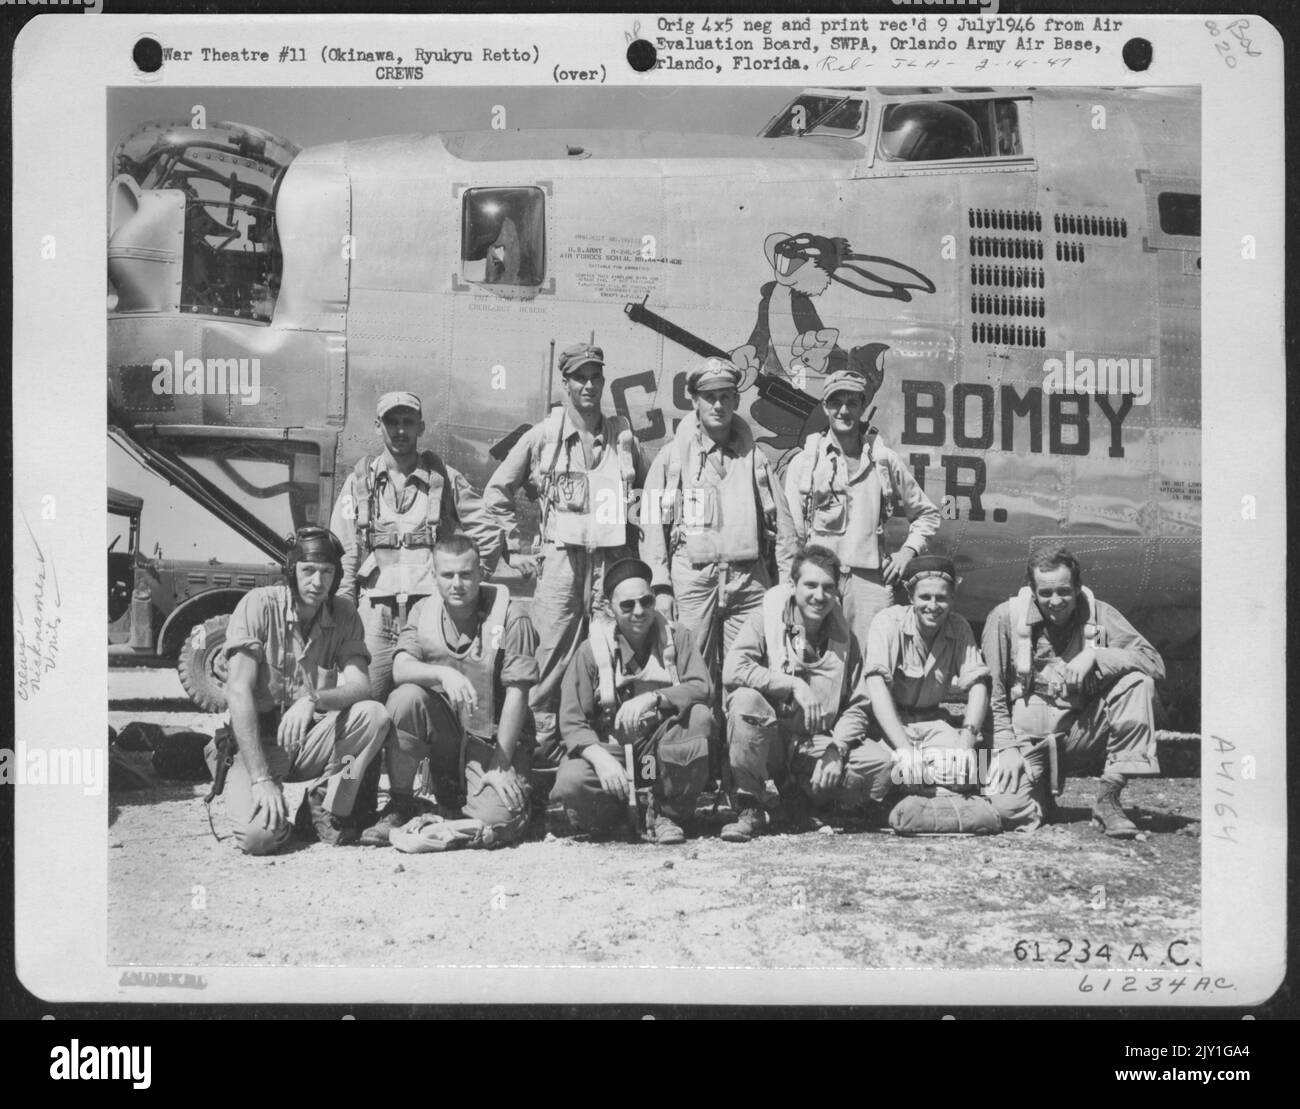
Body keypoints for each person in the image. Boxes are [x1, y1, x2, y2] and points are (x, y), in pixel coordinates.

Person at [484, 343, 645, 764]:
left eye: (595, 376)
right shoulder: (543, 437)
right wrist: (512, 550)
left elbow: (646, 499)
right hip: (560, 564)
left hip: (610, 564)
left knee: (613, 656)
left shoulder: (623, 439)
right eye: (580, 377)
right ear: (566, 383)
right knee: (548, 661)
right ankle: (537, 757)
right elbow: (496, 493)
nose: (589, 385)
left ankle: (609, 753)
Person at [641, 356, 796, 774]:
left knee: (746, 675)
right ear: (694, 399)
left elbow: (782, 525)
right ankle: (693, 768)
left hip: (748, 581)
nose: (718, 405)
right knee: (692, 674)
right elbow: (653, 523)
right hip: (694, 577)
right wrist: (661, 586)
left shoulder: (755, 459)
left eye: (726, 396)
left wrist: (784, 589)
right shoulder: (673, 459)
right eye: (709, 397)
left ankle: (741, 771)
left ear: (736, 400)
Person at [207, 527, 391, 855]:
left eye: (327, 573)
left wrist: (313, 699)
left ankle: (325, 805)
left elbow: (360, 686)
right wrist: (261, 779)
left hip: (307, 741)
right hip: (257, 746)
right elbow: (238, 692)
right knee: (258, 839)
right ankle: (274, 813)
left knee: (373, 716)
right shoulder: (259, 606)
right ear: (291, 571)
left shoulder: (344, 613)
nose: (318, 583)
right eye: (308, 571)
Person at [361, 535, 539, 850]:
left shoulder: (512, 616)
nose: (457, 583)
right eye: (448, 575)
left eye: (466, 574)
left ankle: (454, 810)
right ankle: (402, 804)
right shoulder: (422, 610)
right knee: (405, 698)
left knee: (497, 823)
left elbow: (518, 694)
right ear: (434, 577)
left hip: (494, 741)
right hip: (450, 735)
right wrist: (442, 673)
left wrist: (500, 764)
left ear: (482, 574)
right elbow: (400, 668)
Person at [328, 391, 502, 702]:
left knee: (428, 701)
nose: (399, 430)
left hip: (430, 609)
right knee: (365, 699)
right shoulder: (359, 483)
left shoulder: (445, 480)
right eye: (391, 422)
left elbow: (488, 534)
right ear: (377, 426)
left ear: (421, 428)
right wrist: (344, 605)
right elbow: (343, 549)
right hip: (375, 612)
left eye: (408, 422)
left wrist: (473, 583)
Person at [981, 546, 1165, 837]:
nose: (1056, 601)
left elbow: (1153, 662)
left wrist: (1096, 657)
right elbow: (994, 692)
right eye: (1045, 593)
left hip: (1079, 736)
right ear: (1032, 589)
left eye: (1065, 591)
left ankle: (1109, 800)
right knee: (1008, 812)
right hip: (1024, 743)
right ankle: (1040, 794)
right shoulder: (1005, 618)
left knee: (1138, 684)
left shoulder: (1099, 613)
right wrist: (1005, 748)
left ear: (1078, 587)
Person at [719, 544, 893, 842]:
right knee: (745, 702)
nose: (819, 596)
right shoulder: (766, 621)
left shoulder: (844, 638)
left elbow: (858, 705)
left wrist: (836, 748)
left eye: (827, 587)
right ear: (793, 585)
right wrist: (791, 684)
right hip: (771, 737)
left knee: (880, 765)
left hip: (814, 741)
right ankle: (750, 804)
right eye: (810, 585)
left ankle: (802, 799)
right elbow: (733, 669)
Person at [551, 558, 712, 844]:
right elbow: (571, 720)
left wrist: (655, 697)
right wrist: (600, 759)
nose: (639, 612)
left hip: (655, 756)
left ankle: (665, 813)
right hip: (613, 753)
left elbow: (701, 687)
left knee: (699, 717)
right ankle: (616, 816)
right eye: (627, 605)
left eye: (646, 601)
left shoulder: (677, 638)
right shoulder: (591, 652)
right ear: (611, 609)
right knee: (573, 779)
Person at [783, 369, 941, 652]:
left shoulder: (883, 461)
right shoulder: (805, 463)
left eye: (852, 403)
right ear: (824, 406)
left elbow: (927, 514)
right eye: (836, 403)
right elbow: (790, 533)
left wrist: (907, 553)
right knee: (814, 665)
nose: (844, 411)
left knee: (871, 666)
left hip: (870, 584)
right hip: (819, 581)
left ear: (863, 406)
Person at [855, 555, 1001, 835]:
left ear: (953, 599)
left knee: (971, 770)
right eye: (925, 597)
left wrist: (966, 742)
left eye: (941, 598)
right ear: (910, 596)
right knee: (885, 768)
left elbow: (978, 684)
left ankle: (914, 799)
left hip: (933, 723)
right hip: (889, 725)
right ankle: (930, 794)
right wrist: (904, 749)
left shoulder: (959, 627)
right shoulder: (889, 622)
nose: (933, 606)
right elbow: (876, 684)